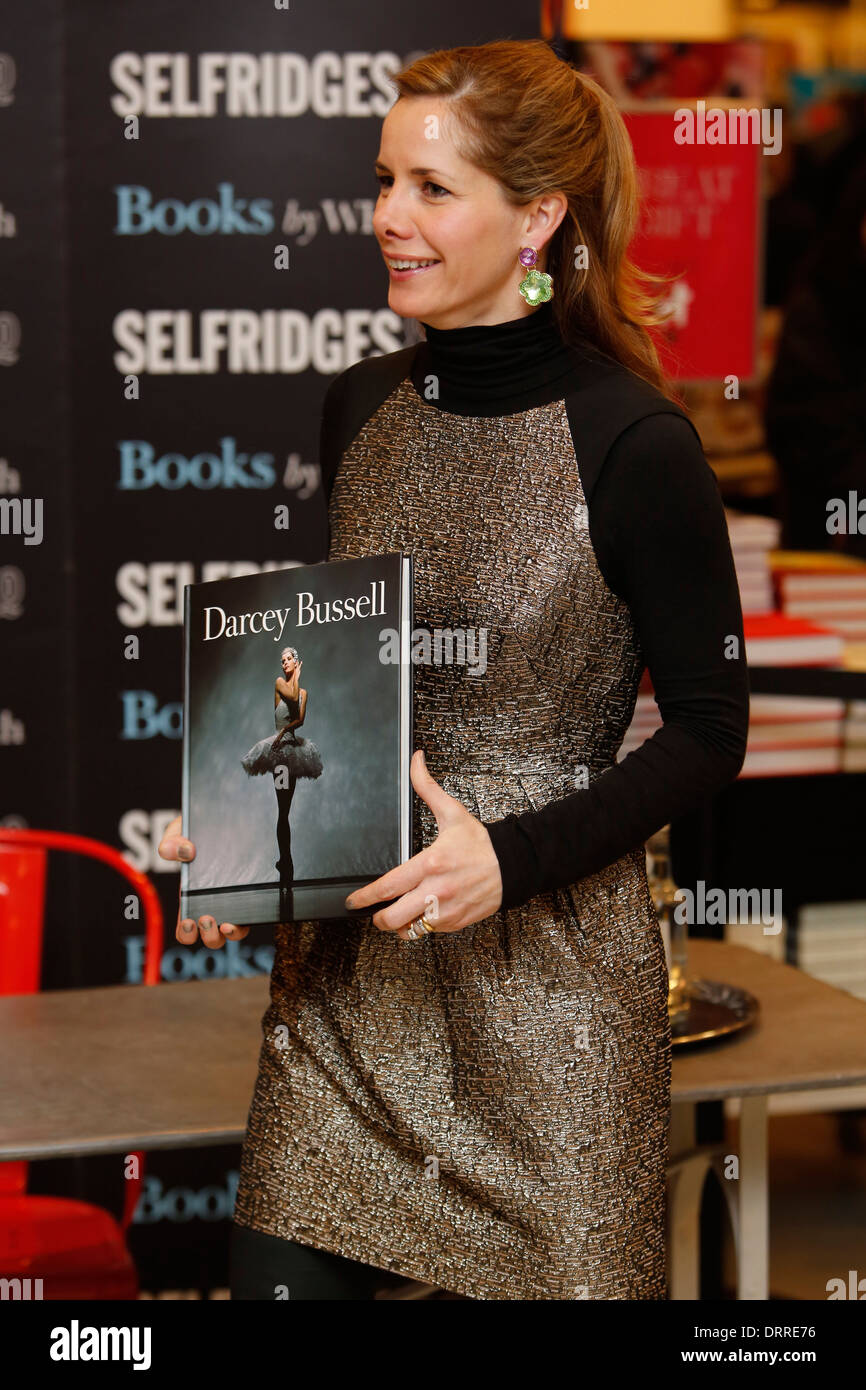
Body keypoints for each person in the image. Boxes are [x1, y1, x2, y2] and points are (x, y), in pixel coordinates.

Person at [159, 37, 749, 1300]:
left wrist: (510, 857)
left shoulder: (635, 443)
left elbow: (711, 730)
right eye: (384, 180)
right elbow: (339, 680)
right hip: (349, 1001)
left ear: (537, 218)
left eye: (432, 188)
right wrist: (244, 843)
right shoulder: (359, 406)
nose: (388, 216)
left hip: (551, 1018)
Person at [239, 647, 323, 883]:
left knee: (285, 809)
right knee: (282, 809)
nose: (284, 663)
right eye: (282, 660)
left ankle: (286, 862)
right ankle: (286, 861)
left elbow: (300, 720)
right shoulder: (280, 683)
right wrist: (296, 676)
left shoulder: (303, 692)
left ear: (296, 662)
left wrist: (286, 729)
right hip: (278, 754)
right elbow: (292, 697)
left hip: (292, 751)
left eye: (288, 660)